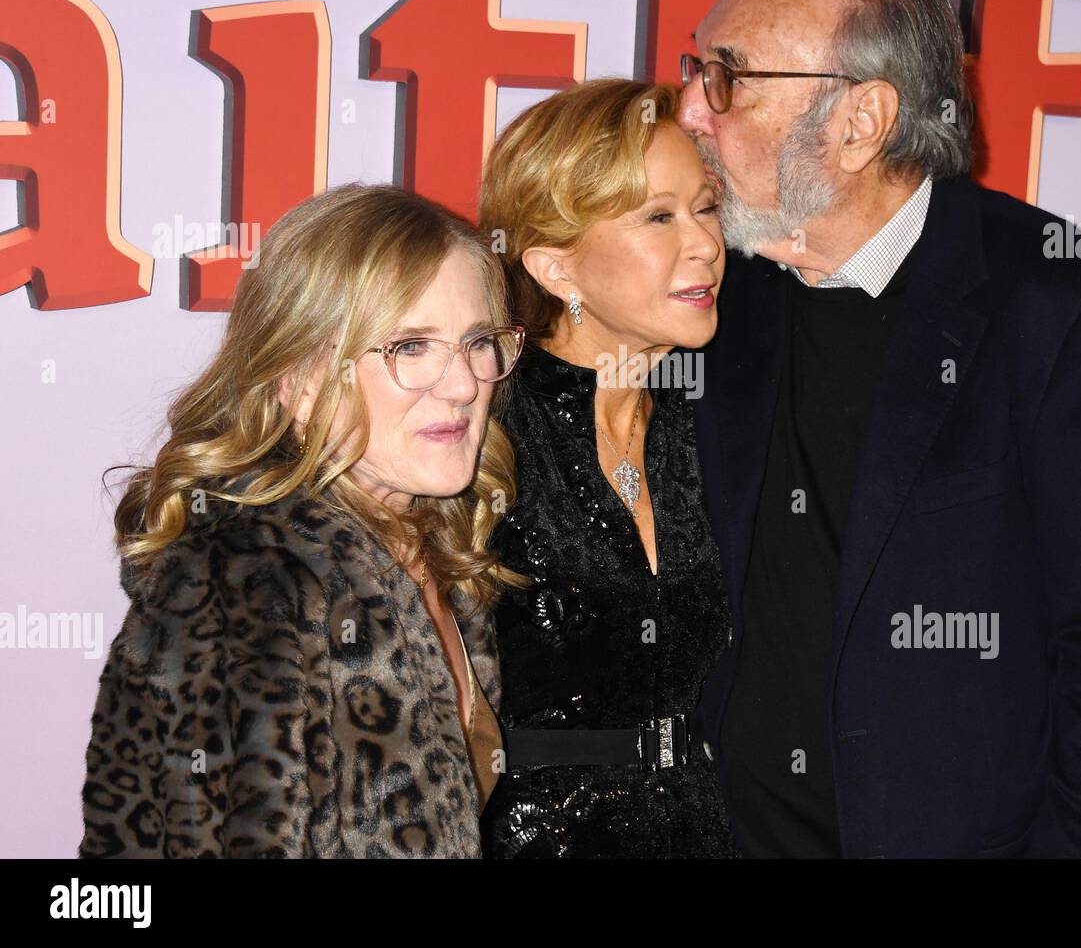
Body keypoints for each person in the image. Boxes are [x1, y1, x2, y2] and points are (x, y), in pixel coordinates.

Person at [677, 0, 1081, 858]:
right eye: (693, 69)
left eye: (726, 76)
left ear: (860, 121)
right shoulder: (714, 290)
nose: (688, 109)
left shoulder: (1057, 304)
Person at [79, 184, 527, 858]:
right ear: (298, 378)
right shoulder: (244, 579)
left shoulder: (432, 541)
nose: (464, 383)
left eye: (478, 342)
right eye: (410, 346)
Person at [475, 78, 737, 857]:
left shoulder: (719, 426)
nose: (704, 244)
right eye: (658, 216)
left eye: (707, 206)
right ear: (557, 268)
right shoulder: (480, 434)